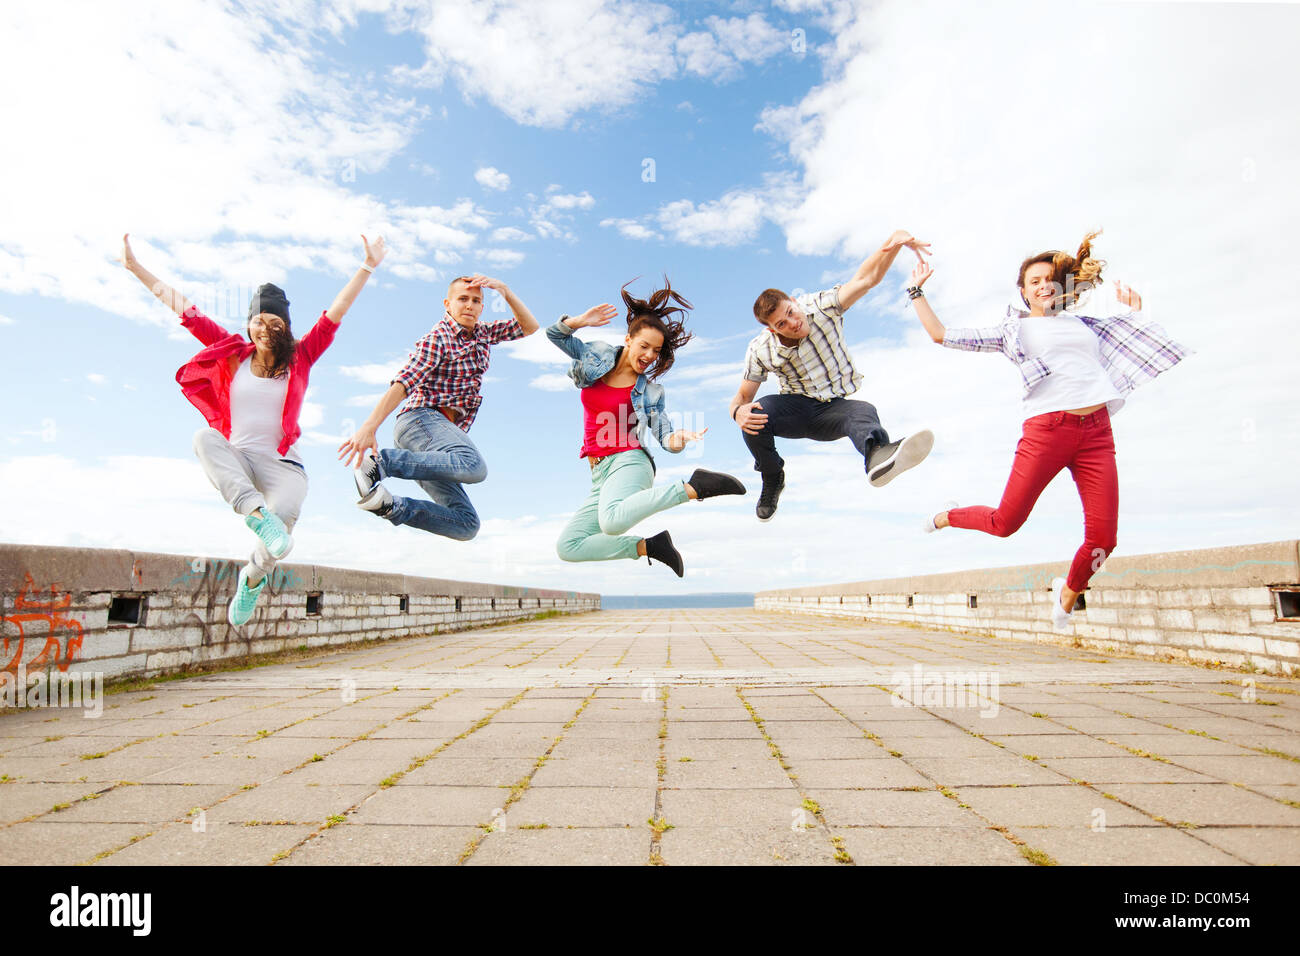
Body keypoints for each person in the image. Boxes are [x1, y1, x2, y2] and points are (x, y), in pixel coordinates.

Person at [908, 230, 1189, 630]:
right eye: (1033, 281)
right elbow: (941, 335)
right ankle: (949, 516)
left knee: (1104, 539)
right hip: (1047, 431)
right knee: (1005, 523)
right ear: (1023, 292)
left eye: (1048, 279)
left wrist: (1137, 309)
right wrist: (916, 292)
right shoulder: (1014, 332)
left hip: (1096, 433)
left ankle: (1068, 592)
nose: (1042, 286)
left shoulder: (1087, 326)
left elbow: (1130, 341)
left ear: (1061, 286)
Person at [121, 232, 386, 626]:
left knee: (287, 518)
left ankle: (252, 577)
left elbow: (336, 311)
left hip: (281, 464)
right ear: (249, 324)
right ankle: (254, 514)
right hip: (239, 459)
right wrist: (135, 267)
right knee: (203, 438)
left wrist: (367, 266)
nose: (265, 329)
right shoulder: (231, 351)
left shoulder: (304, 355)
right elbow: (183, 308)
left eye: (274, 322)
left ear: (286, 327)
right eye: (258, 321)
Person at [729, 229, 936, 522]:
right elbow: (741, 397)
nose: (793, 322)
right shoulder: (761, 349)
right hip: (796, 409)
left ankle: (878, 455)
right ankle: (772, 476)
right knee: (756, 413)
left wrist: (891, 245)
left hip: (833, 410)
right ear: (771, 329)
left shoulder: (822, 306)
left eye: (791, 311)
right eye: (782, 323)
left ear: (794, 300)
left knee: (863, 411)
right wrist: (737, 412)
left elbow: (866, 279)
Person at [549, 280, 747, 576]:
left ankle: (695, 487)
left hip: (629, 462)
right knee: (569, 546)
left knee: (612, 523)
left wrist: (679, 439)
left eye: (656, 350)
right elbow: (556, 335)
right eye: (645, 346)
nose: (651, 355)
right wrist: (578, 322)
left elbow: (666, 437)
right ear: (628, 340)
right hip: (599, 471)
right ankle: (649, 547)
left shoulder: (650, 392)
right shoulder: (597, 357)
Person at [338, 275, 538, 541]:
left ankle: (390, 506)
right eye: (463, 299)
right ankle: (381, 463)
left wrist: (505, 290)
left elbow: (529, 327)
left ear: (481, 307)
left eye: (476, 301)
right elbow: (403, 382)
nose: (469, 305)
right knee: (473, 466)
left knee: (466, 525)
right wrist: (369, 427)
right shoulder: (439, 337)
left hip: (432, 446)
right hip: (419, 421)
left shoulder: (483, 333)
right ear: (448, 304)